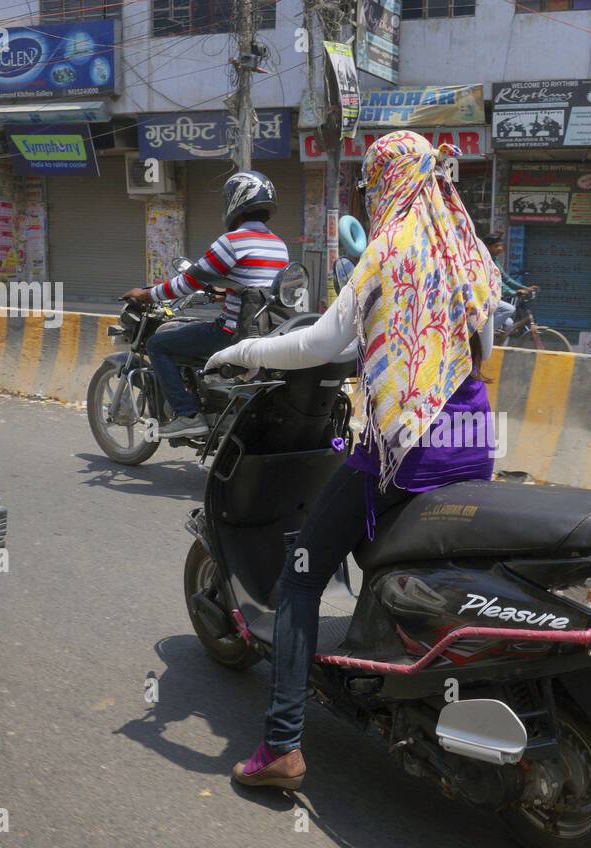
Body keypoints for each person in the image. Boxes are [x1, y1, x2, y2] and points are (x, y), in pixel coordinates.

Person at [204, 131, 501, 790]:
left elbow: (319, 342)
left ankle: (281, 745)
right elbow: (480, 344)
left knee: (303, 575)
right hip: (472, 442)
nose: (371, 199)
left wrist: (242, 352)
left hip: (405, 450)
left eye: (373, 186)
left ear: (388, 183)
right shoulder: (472, 253)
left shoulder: (386, 253)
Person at [123, 170, 287, 438]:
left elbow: (188, 282)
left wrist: (147, 294)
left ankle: (187, 415)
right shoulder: (278, 244)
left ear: (236, 202)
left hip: (232, 333)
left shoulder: (232, 242)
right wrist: (225, 294)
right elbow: (255, 288)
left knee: (157, 344)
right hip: (264, 331)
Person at [484, 233, 536, 331]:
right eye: (496, 246)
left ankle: (495, 344)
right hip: (484, 299)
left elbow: (505, 279)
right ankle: (484, 333)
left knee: (509, 324)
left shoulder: (495, 260)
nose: (500, 248)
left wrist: (525, 288)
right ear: (487, 247)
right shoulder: (485, 261)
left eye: (501, 246)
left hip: (492, 298)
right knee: (509, 309)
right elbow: (496, 283)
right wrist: (514, 292)